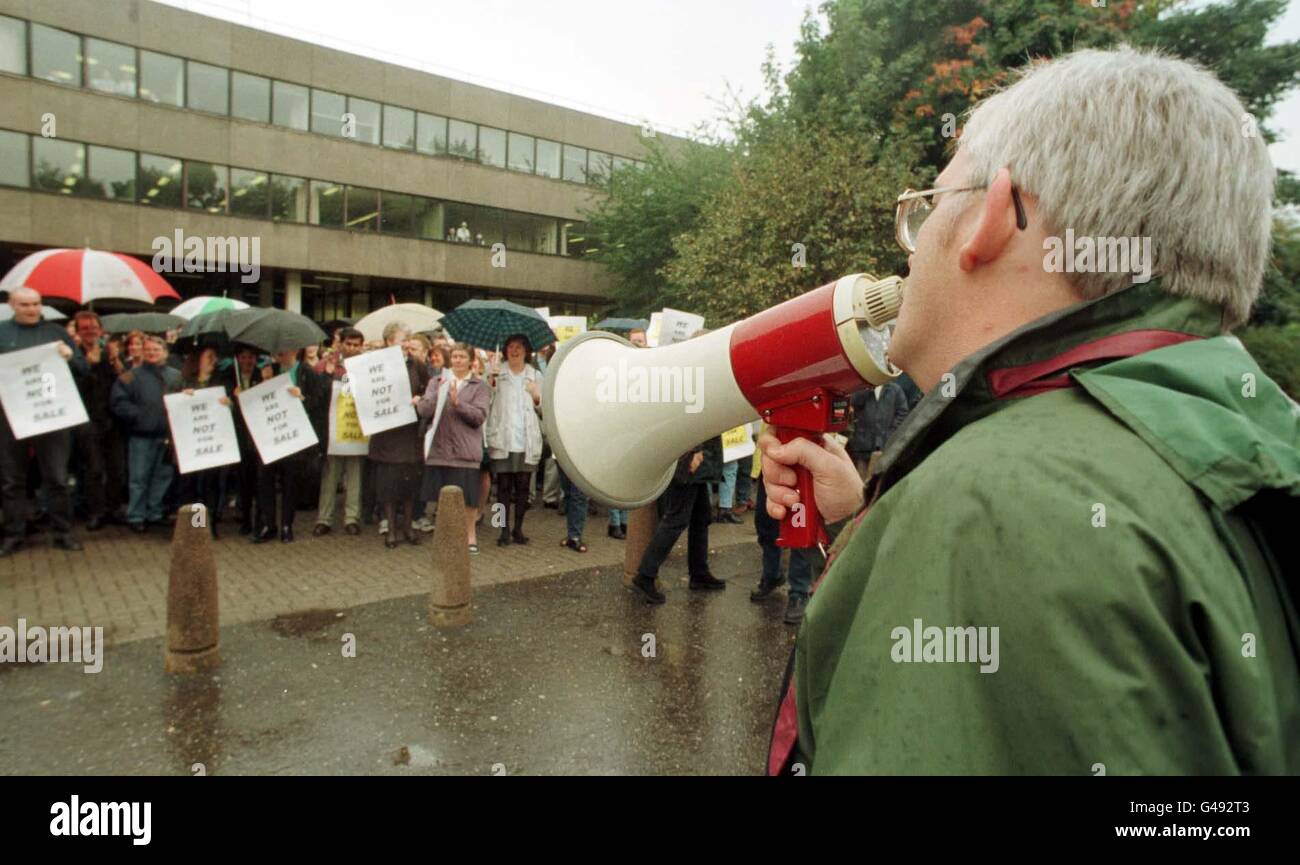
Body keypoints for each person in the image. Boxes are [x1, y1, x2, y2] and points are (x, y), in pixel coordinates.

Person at [761, 47, 1300, 775]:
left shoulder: (991, 506)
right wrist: (868, 526)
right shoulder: (1231, 431)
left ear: (993, 216)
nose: (910, 254)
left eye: (924, 209)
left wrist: (944, 527)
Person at [0, 287, 87, 556]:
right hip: (11, 417)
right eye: (25, 304)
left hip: (52, 415)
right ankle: (14, 533)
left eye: (36, 304)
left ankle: (62, 531)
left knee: (57, 478)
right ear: (12, 305)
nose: (32, 309)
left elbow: (83, 368)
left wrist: (70, 357)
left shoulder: (56, 333)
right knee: (11, 479)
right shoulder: (1, 331)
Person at [629, 434, 726, 603]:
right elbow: (690, 415)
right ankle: (645, 576)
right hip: (690, 460)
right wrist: (694, 451)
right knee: (675, 520)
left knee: (700, 518)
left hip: (696, 461)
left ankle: (699, 572)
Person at [415, 342, 490, 553]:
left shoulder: (479, 386)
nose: (458, 361)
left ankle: (470, 536)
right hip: (440, 449)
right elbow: (424, 411)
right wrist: (433, 396)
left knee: (468, 499)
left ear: (470, 361)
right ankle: (446, 537)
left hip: (465, 451)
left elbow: (479, 416)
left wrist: (458, 403)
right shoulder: (436, 381)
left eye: (462, 357)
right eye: (455, 357)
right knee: (443, 498)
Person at [110, 334, 183, 533]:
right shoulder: (129, 376)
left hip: (168, 437)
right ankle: (136, 516)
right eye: (148, 349)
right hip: (140, 436)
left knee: (162, 477)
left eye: (156, 350)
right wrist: (138, 415)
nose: (152, 353)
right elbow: (118, 403)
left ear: (165, 353)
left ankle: (155, 513)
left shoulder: (176, 376)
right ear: (142, 352)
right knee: (138, 479)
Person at [367, 322, 429, 548]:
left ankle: (408, 527)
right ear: (388, 341)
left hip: (409, 435)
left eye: (408, 339)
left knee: (410, 486)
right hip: (386, 436)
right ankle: (391, 529)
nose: (406, 344)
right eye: (402, 339)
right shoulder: (374, 366)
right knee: (388, 486)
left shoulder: (417, 365)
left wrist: (420, 399)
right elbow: (358, 389)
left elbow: (428, 389)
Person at [251, 348, 318, 543]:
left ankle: (287, 525)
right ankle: (269, 524)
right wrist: (263, 382)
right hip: (270, 436)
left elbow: (317, 402)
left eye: (286, 350)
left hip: (293, 436)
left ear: (296, 351)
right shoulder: (267, 370)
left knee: (290, 482)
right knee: (265, 480)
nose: (282, 354)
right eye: (279, 350)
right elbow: (256, 400)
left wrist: (301, 397)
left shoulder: (306, 372)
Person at [483, 335, 543, 546]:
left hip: (526, 440)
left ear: (526, 351)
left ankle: (518, 529)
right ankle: (502, 529)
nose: (514, 350)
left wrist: (537, 396)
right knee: (502, 489)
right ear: (505, 350)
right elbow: (485, 399)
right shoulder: (496, 372)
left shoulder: (534, 374)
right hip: (503, 439)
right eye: (510, 346)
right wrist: (491, 378)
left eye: (519, 347)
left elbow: (542, 407)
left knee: (523, 489)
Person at [71, 311, 125, 530]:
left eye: (94, 327)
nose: (90, 332)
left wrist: (115, 361)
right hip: (87, 420)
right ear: (77, 331)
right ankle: (96, 512)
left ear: (101, 330)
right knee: (94, 469)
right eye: (85, 328)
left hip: (113, 419)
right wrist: (88, 365)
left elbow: (126, 381)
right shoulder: (73, 355)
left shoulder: (109, 352)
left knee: (117, 469)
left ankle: (114, 508)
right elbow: (72, 388)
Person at [311, 327, 367, 537]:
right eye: (349, 344)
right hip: (334, 429)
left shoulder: (366, 365)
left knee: (354, 476)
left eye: (356, 345)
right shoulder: (327, 363)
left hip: (356, 430)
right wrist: (327, 374)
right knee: (330, 476)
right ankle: (324, 519)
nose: (352, 348)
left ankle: (352, 518)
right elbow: (316, 394)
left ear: (361, 346)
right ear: (341, 343)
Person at [178, 346, 233, 537]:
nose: (213, 360)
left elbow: (231, 408)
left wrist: (229, 404)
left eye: (215, 356)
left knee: (211, 484)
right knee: (192, 486)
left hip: (213, 442)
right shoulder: (186, 382)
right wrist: (182, 398)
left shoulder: (222, 382)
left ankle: (211, 524)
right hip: (194, 443)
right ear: (199, 359)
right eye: (209, 356)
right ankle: (196, 526)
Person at [228, 345, 261, 535]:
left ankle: (258, 520)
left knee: (259, 483)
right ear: (237, 359)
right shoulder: (229, 378)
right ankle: (245, 519)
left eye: (251, 358)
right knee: (243, 481)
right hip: (239, 438)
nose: (247, 362)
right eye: (243, 358)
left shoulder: (262, 376)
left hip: (257, 438)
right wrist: (233, 400)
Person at [846, 380, 910, 480]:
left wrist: (891, 432)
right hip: (863, 444)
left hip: (885, 443)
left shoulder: (895, 390)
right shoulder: (861, 388)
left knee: (878, 479)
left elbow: (903, 412)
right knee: (860, 479)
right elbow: (854, 401)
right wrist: (867, 388)